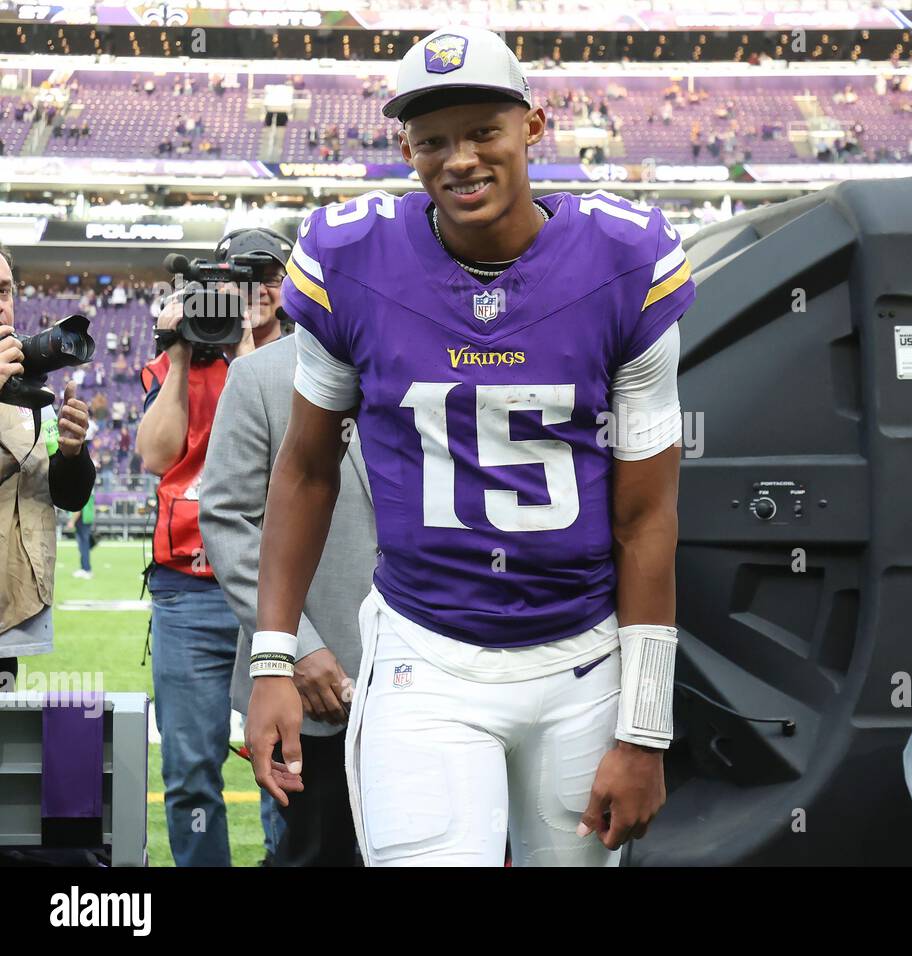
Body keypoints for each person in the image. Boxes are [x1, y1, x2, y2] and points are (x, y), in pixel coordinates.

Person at [247, 26, 694, 867]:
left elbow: (647, 515)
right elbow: (306, 471)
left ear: (533, 124)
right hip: (426, 651)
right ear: (407, 150)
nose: (459, 158)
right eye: (433, 141)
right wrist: (273, 657)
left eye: (483, 130)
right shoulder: (353, 260)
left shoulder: (623, 260)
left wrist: (644, 727)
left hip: (580, 658)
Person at [135, 227, 293, 867]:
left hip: (276, 587)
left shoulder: (310, 362)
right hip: (190, 586)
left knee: (287, 757)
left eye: (267, 276)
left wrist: (252, 348)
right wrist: (178, 355)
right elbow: (154, 455)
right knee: (191, 764)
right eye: (238, 278)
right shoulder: (180, 364)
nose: (254, 290)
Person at [200, 329, 375, 867]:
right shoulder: (261, 375)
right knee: (314, 855)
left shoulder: (450, 357)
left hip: (439, 678)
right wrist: (294, 646)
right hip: (319, 693)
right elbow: (228, 518)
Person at [0, 243, 96, 690]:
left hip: (13, 602)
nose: (0, 305)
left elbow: (66, 494)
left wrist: (73, 454)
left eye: (3, 291)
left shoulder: (26, 384)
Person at [69, 488, 94, 579]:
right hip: (87, 519)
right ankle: (84, 568)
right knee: (84, 545)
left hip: (82, 520)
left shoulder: (80, 490)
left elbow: (78, 507)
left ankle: (86, 569)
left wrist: (72, 521)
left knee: (83, 546)